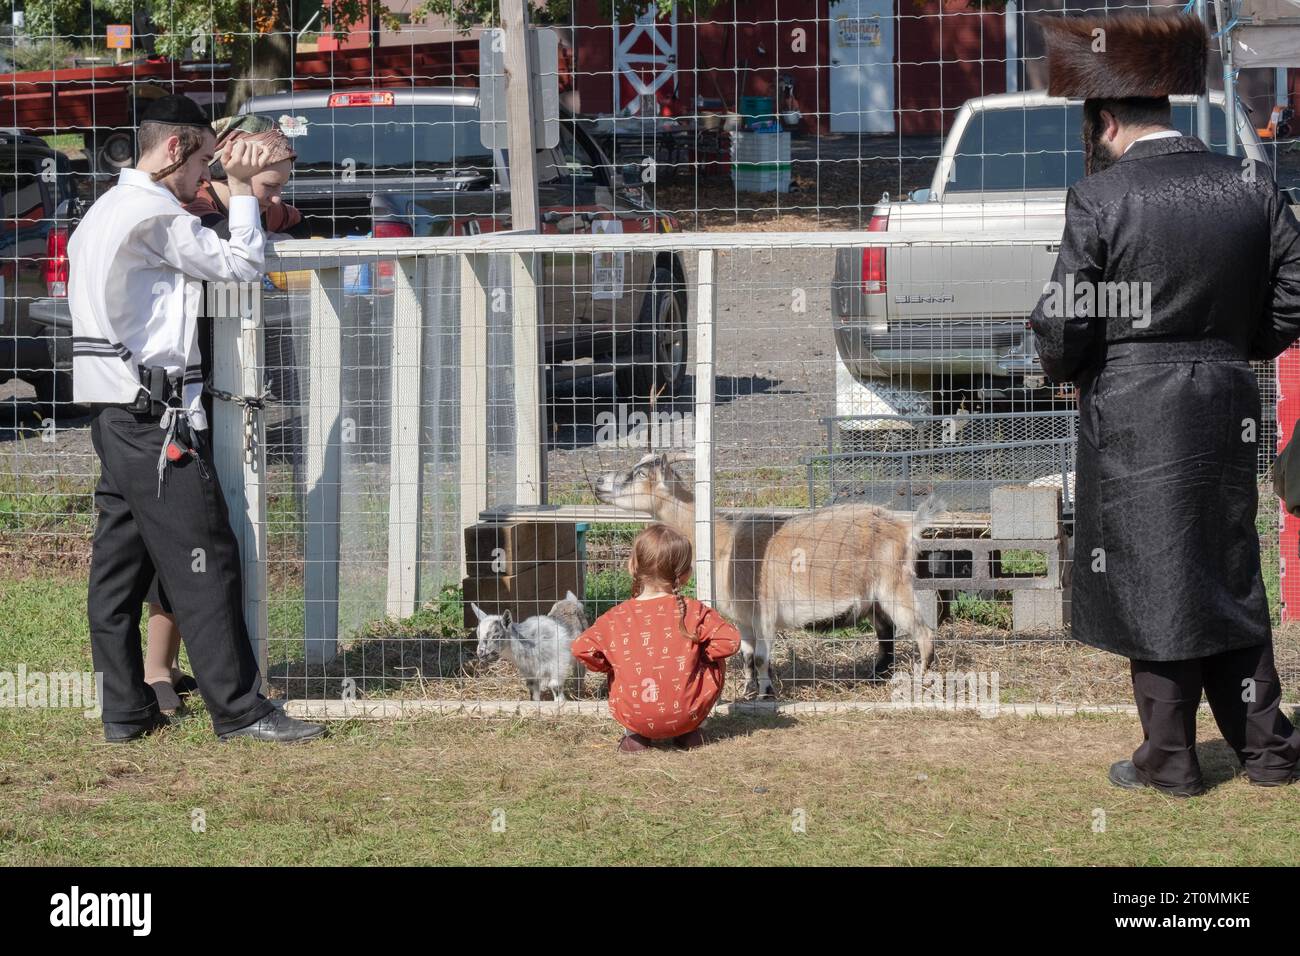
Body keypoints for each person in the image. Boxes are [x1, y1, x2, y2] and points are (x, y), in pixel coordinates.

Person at [1028, 13, 1300, 794]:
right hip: (1224, 398)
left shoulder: (1100, 197)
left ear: (1106, 121)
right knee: (1227, 566)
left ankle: (1172, 758)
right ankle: (1268, 749)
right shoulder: (1250, 183)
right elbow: (1295, 291)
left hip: (1135, 406)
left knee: (1154, 574)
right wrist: (1236, 347)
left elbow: (1069, 314)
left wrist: (1063, 362)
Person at [70, 93, 324, 742]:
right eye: (202, 162)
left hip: (115, 415)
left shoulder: (104, 210)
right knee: (204, 558)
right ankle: (241, 712)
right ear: (177, 148)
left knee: (117, 576)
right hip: (154, 419)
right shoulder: (152, 215)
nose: (200, 179)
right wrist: (242, 192)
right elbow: (241, 268)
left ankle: (125, 712)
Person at [142, 114, 304, 715]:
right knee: (188, 537)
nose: (279, 199)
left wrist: (269, 207)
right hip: (188, 394)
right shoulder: (189, 214)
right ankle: (162, 670)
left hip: (228, 390)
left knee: (219, 531)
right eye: (271, 185)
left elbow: (280, 218)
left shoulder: (239, 206)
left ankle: (183, 668)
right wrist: (254, 207)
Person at [571, 524, 740, 752]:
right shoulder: (694, 611)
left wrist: (612, 664)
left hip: (635, 714)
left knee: (619, 661)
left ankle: (636, 737)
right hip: (687, 712)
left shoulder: (615, 617)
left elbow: (581, 648)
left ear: (633, 567)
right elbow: (731, 640)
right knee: (711, 656)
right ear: (686, 575)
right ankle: (688, 731)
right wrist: (698, 655)